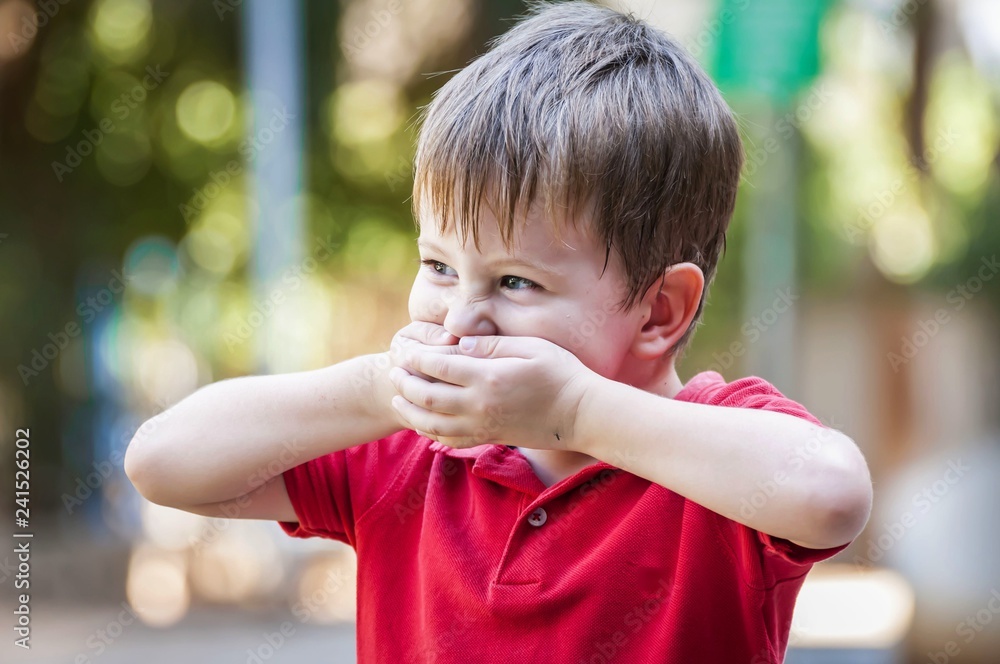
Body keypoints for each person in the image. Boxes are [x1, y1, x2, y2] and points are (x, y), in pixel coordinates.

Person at [124, 1, 873, 661]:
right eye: (440, 266)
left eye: (516, 282)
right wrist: (380, 390)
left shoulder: (714, 458)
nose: (459, 317)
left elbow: (831, 492)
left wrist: (578, 413)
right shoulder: (412, 454)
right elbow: (163, 462)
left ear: (660, 311)